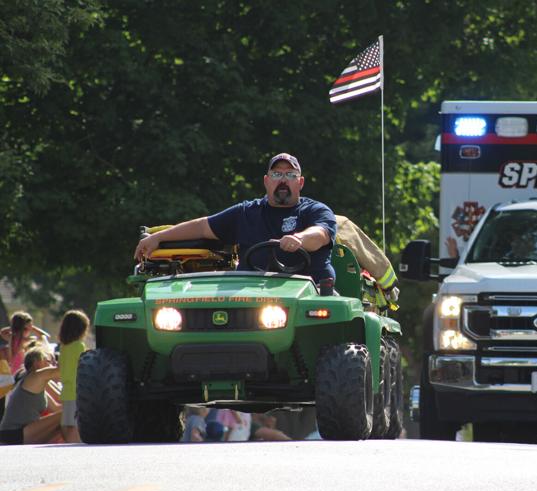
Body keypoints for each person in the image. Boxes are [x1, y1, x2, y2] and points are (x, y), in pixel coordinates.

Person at [133, 153, 337, 293]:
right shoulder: (246, 212)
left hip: (310, 292)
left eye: (290, 175)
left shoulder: (316, 211)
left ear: (300, 182)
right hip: (250, 294)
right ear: (266, 181)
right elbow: (203, 226)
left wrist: (299, 239)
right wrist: (158, 237)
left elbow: (320, 235)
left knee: (333, 315)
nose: (283, 180)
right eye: (276, 174)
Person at [0, 346, 64, 445]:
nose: (53, 364)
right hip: (14, 433)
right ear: (37, 363)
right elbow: (62, 371)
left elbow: (57, 407)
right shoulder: (35, 377)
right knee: (66, 415)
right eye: (49, 361)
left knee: (67, 416)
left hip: (23, 432)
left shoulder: (36, 383)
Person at [57, 309, 90, 443]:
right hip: (77, 392)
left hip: (66, 391)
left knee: (66, 424)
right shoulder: (79, 347)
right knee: (75, 426)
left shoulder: (63, 347)